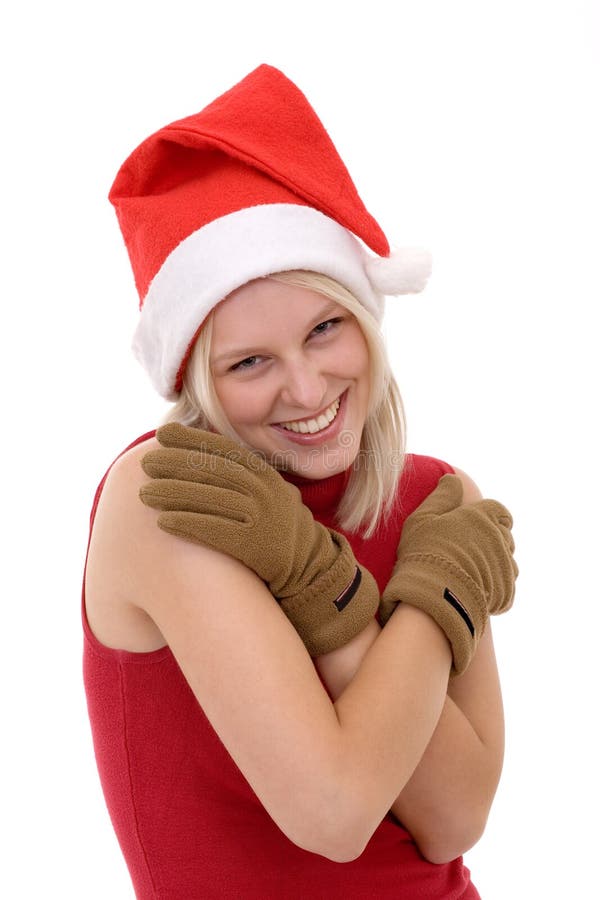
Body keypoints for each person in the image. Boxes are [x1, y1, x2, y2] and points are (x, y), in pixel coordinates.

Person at [82, 65, 517, 899]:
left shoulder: (438, 505)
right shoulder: (169, 495)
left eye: (324, 328)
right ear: (196, 378)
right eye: (249, 362)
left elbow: (457, 818)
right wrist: (355, 593)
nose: (308, 390)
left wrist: (421, 591)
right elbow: (334, 809)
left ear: (366, 317)